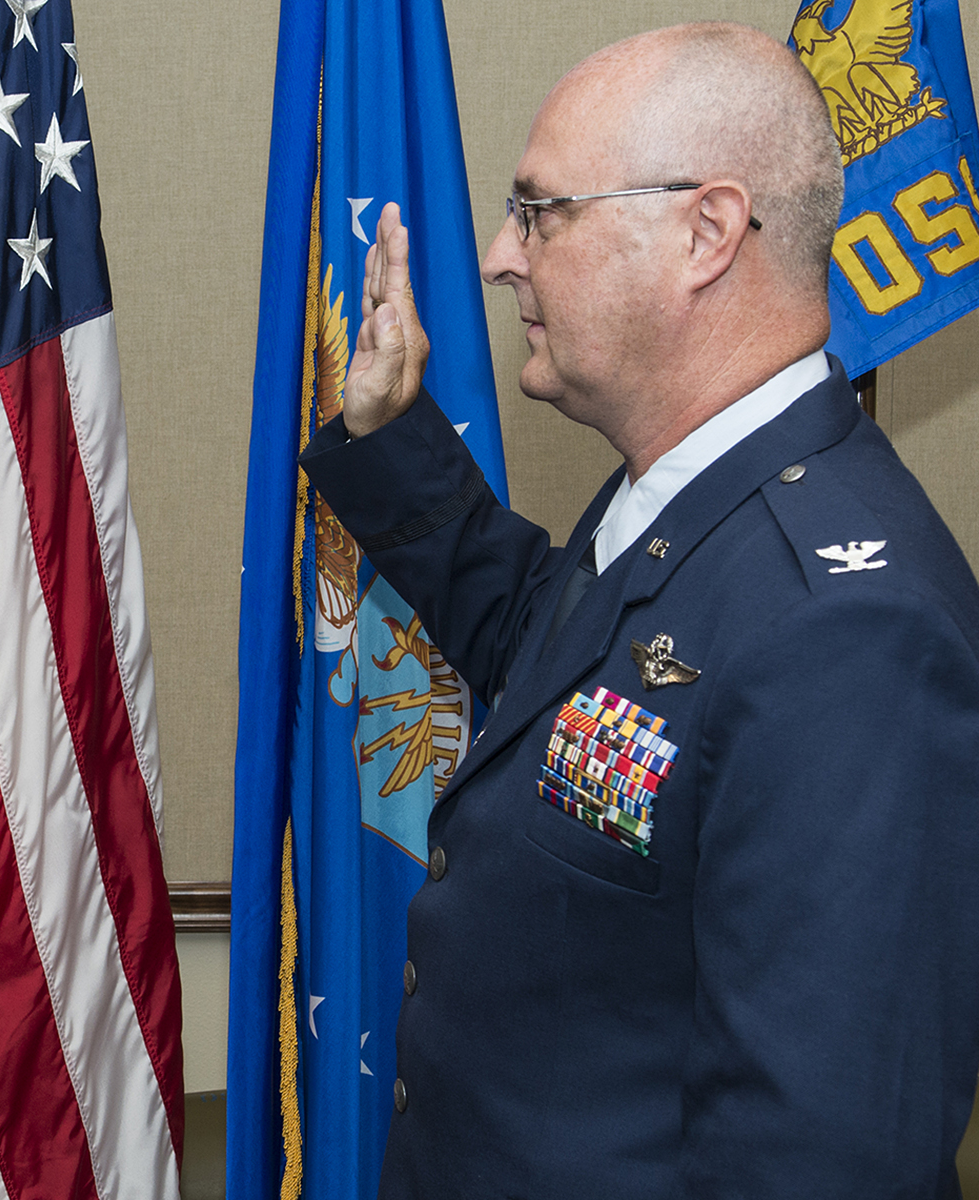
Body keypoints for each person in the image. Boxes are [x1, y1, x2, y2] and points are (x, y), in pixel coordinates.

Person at [301, 22, 979, 1198]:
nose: (503, 256)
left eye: (541, 211)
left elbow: (819, 1157)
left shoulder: (845, 631)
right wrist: (388, 433)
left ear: (706, 233)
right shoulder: (692, 489)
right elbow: (556, 669)